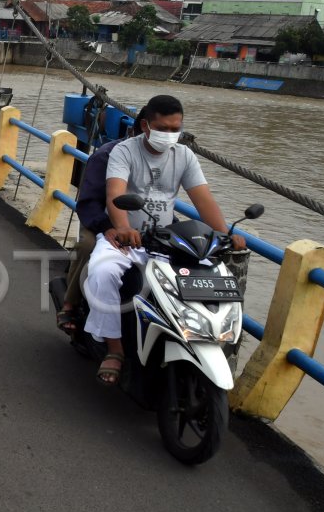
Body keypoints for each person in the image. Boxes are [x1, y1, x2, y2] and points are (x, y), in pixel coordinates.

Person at [82, 94, 245, 385]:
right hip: (126, 239)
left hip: (167, 240)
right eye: (163, 128)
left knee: (211, 274)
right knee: (102, 272)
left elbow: (202, 198)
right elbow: (115, 194)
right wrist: (121, 228)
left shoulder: (184, 156)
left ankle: (200, 340)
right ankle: (115, 349)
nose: (170, 135)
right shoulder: (124, 152)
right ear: (146, 125)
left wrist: (225, 234)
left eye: (175, 129)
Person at [55, 106, 148, 335]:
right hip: (102, 221)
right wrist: (107, 227)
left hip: (143, 225)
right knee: (87, 245)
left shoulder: (165, 160)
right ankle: (70, 304)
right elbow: (88, 201)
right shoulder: (106, 155)